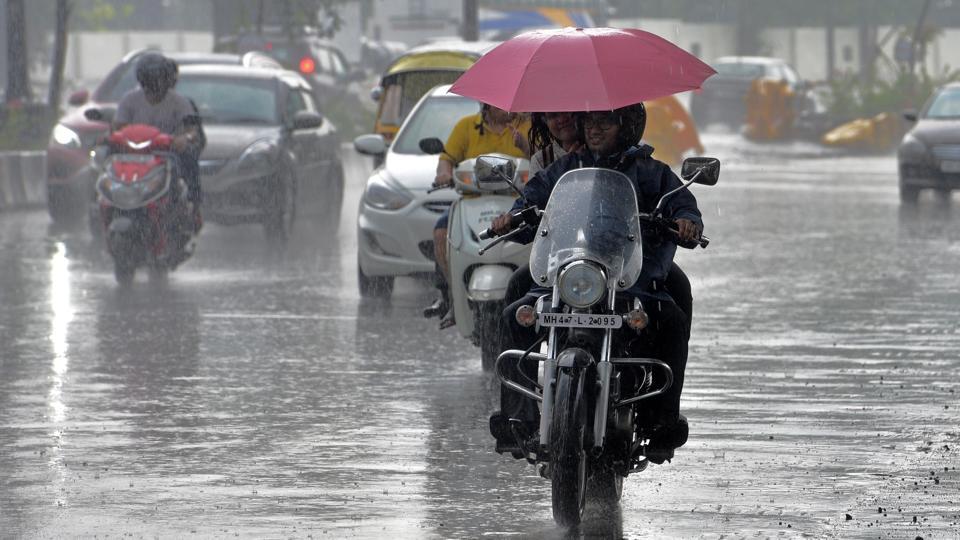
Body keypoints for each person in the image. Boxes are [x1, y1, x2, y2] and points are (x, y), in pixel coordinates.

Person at [489, 103, 703, 464]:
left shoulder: (651, 171)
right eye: (589, 121)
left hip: (627, 276)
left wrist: (686, 220)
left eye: (605, 121)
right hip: (569, 272)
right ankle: (519, 417)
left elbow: (681, 204)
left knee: (671, 318)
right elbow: (532, 200)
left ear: (628, 125)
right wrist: (512, 216)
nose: (595, 129)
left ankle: (660, 421)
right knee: (515, 313)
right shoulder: (567, 168)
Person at [423, 104, 530, 326]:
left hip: (518, 203)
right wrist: (444, 173)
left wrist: (526, 147)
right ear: (486, 104)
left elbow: (541, 158)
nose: (507, 106)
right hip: (473, 203)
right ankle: (452, 296)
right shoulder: (466, 127)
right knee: (442, 231)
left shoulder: (528, 127)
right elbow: (447, 158)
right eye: (499, 101)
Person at [114, 52, 205, 230]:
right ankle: (104, 204)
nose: (154, 86)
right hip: (134, 155)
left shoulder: (180, 102)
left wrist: (184, 138)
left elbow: (191, 130)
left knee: (188, 161)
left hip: (167, 155)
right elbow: (118, 127)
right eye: (148, 80)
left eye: (158, 79)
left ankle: (193, 206)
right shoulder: (129, 100)